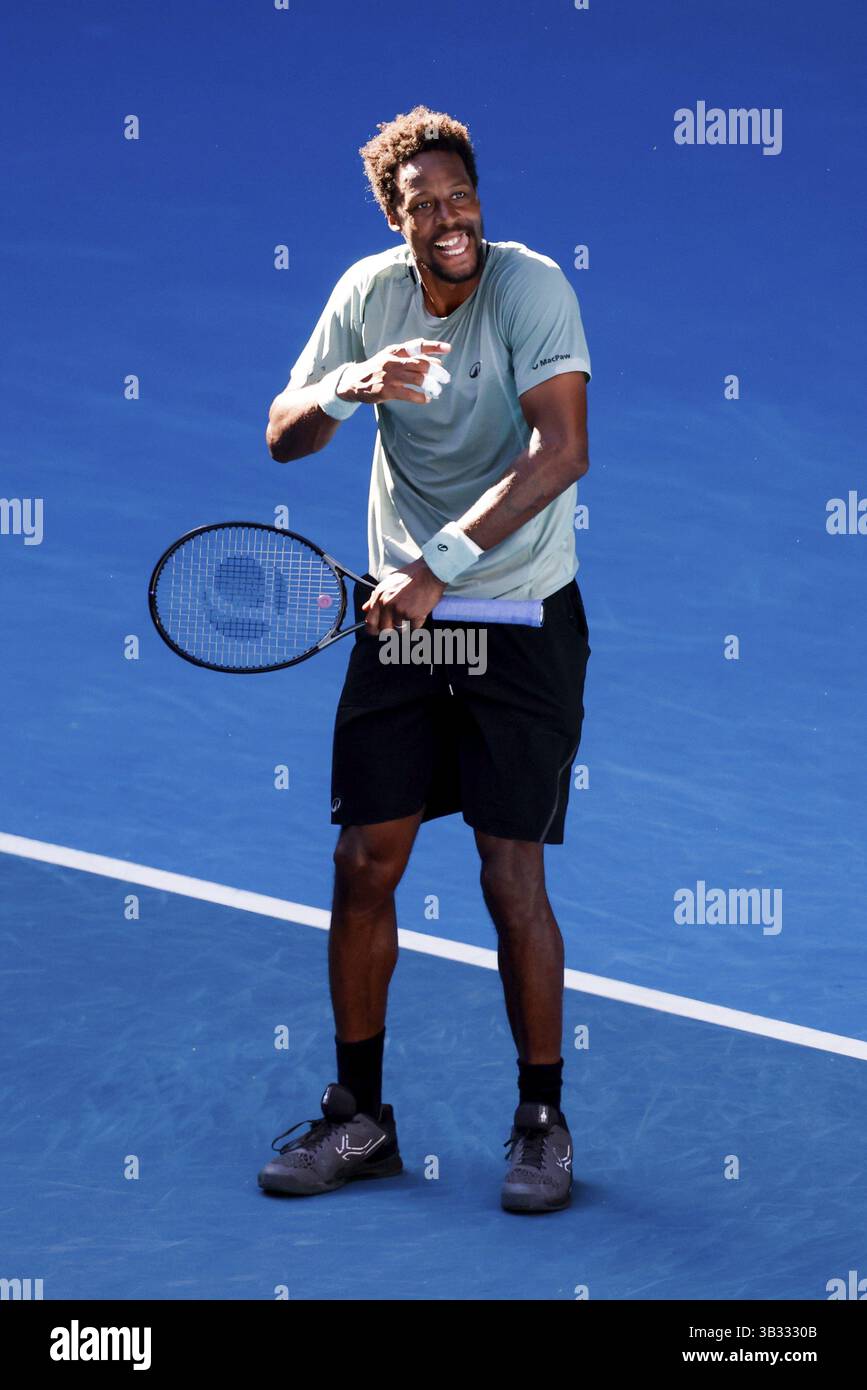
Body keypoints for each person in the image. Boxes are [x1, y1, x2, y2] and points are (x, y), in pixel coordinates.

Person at [259, 105, 591, 1213]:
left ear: (479, 201)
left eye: (461, 198)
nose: (448, 219)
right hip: (404, 624)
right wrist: (348, 386)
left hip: (519, 619)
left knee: (511, 879)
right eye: (423, 206)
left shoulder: (531, 287)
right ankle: (361, 1120)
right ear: (393, 217)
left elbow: (563, 450)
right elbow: (283, 429)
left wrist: (439, 564)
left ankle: (541, 1121)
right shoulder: (366, 295)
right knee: (364, 864)